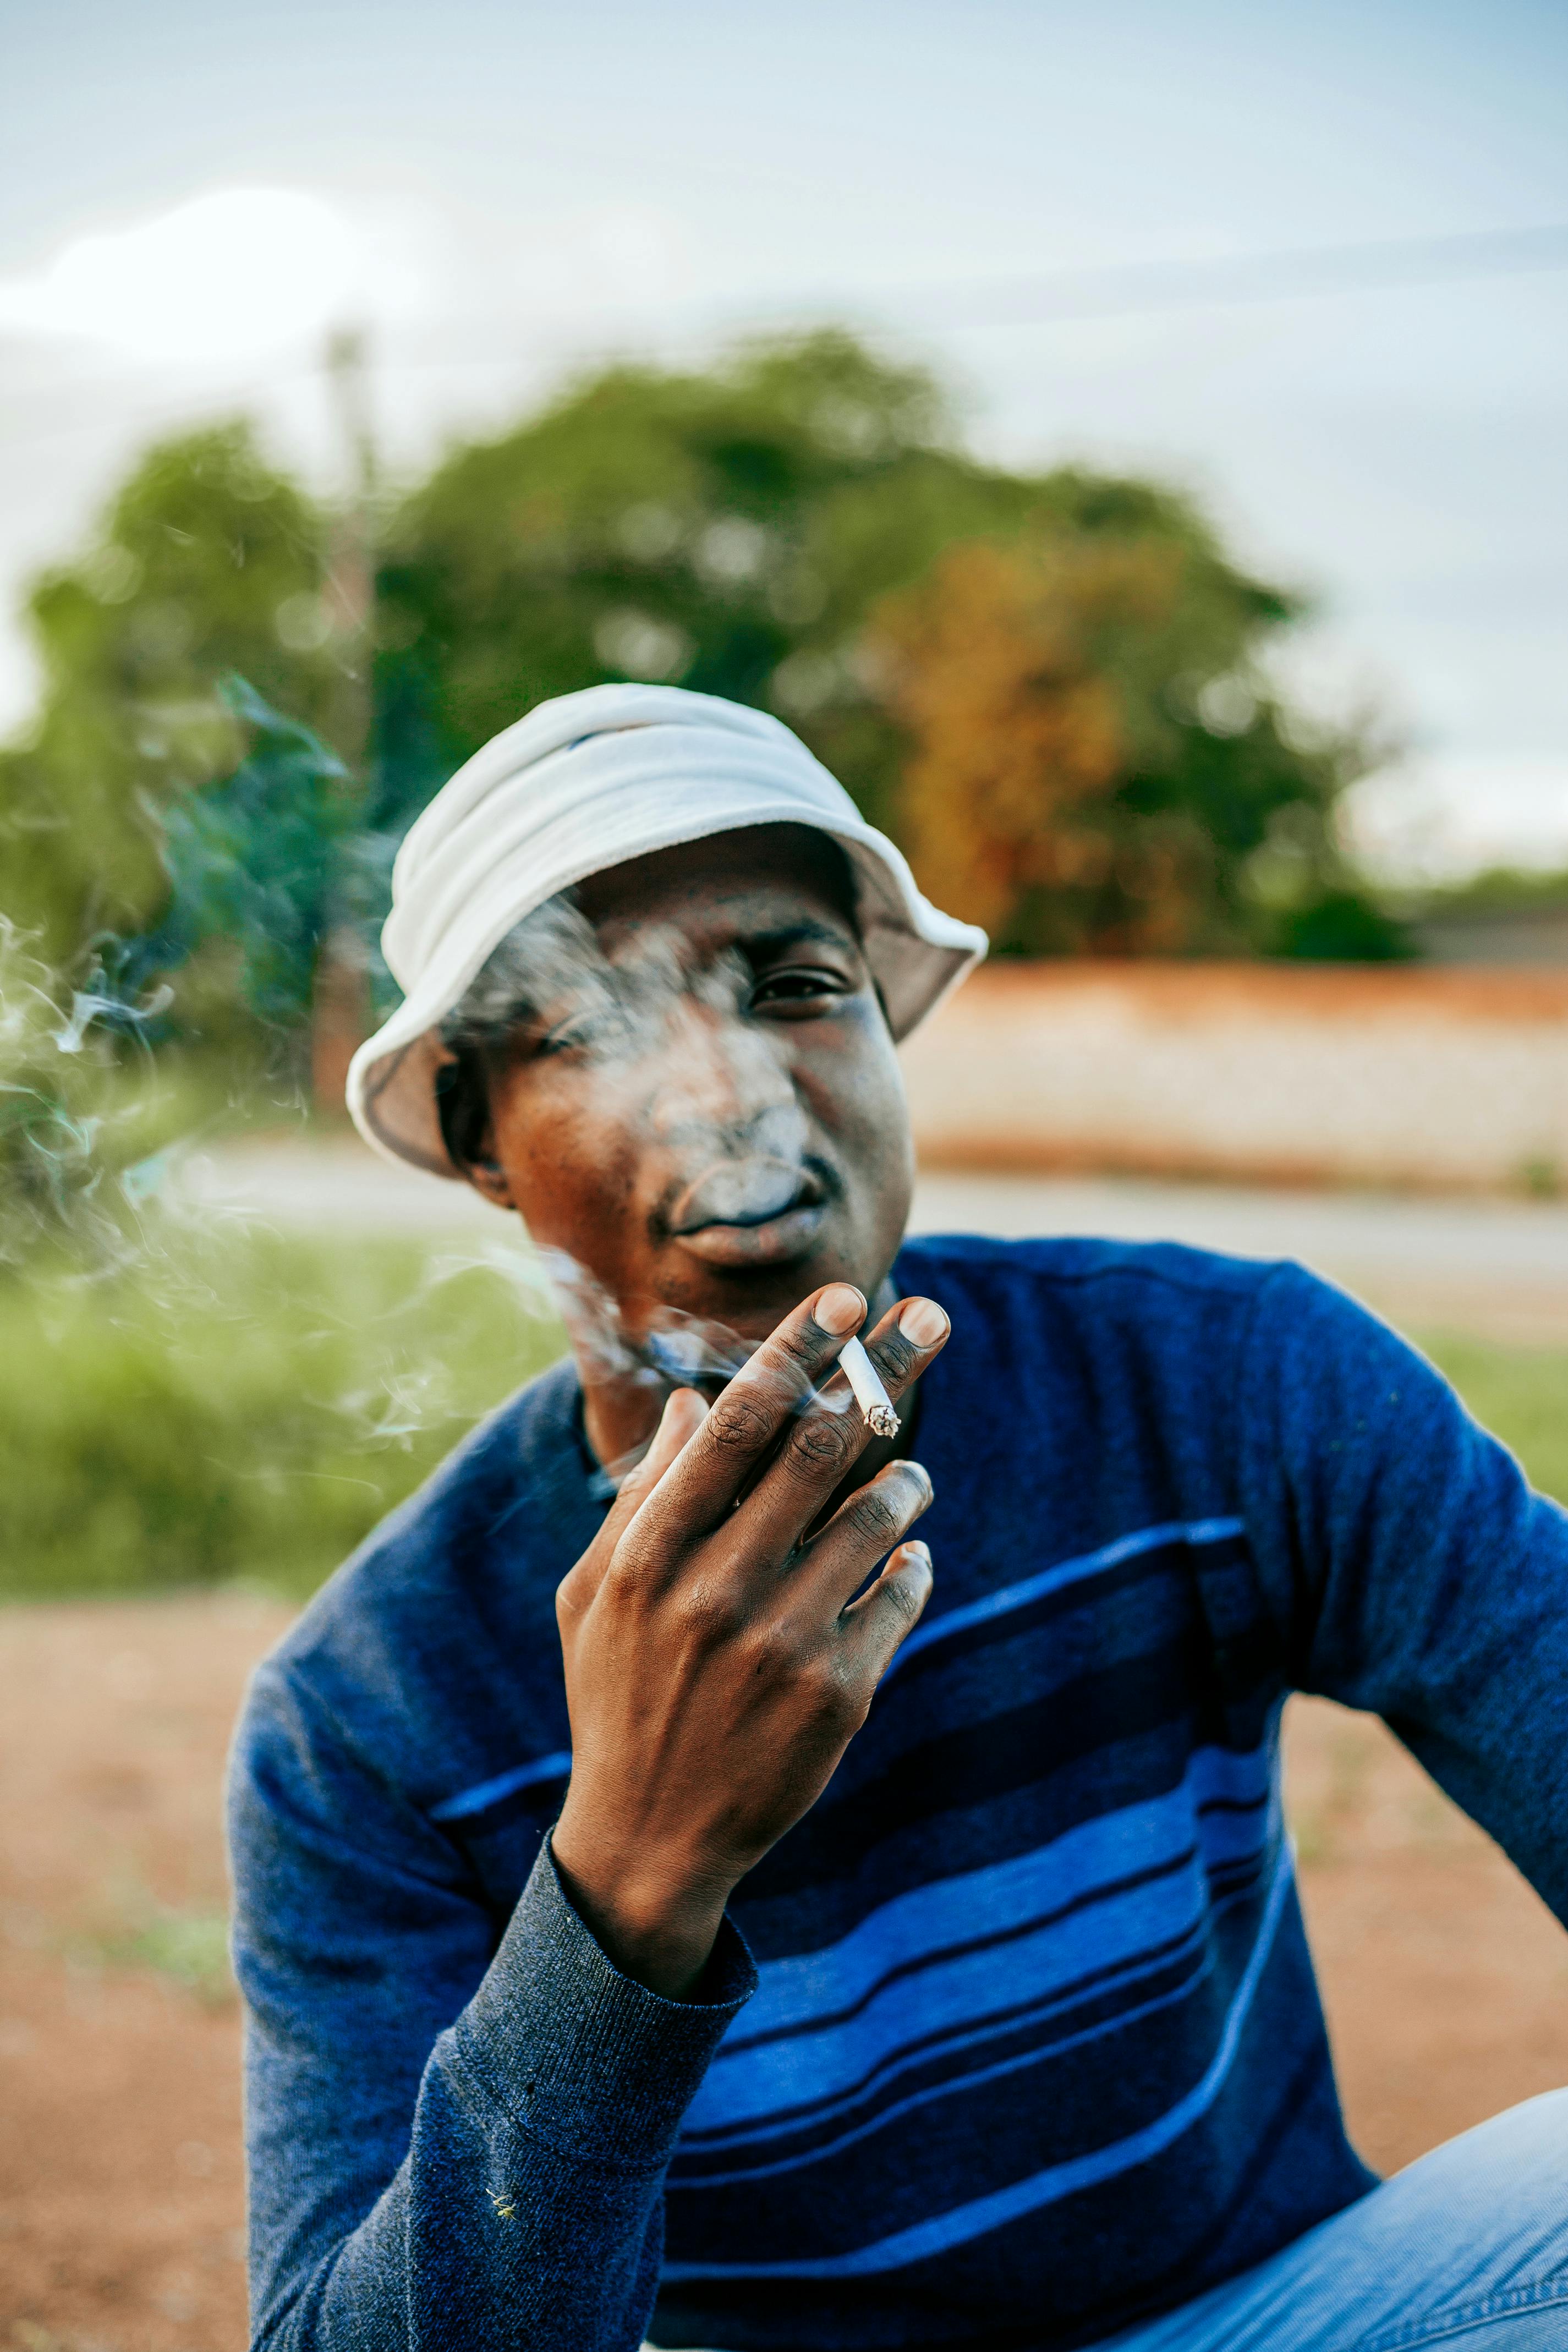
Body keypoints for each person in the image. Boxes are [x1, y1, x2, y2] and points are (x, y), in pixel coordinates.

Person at [229, 684, 1568, 2352]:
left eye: (795, 987)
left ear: (885, 1028)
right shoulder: (366, 1717)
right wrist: (634, 1872)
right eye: (592, 1024)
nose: (731, 1099)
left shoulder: (1230, 1382)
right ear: (476, 1140)